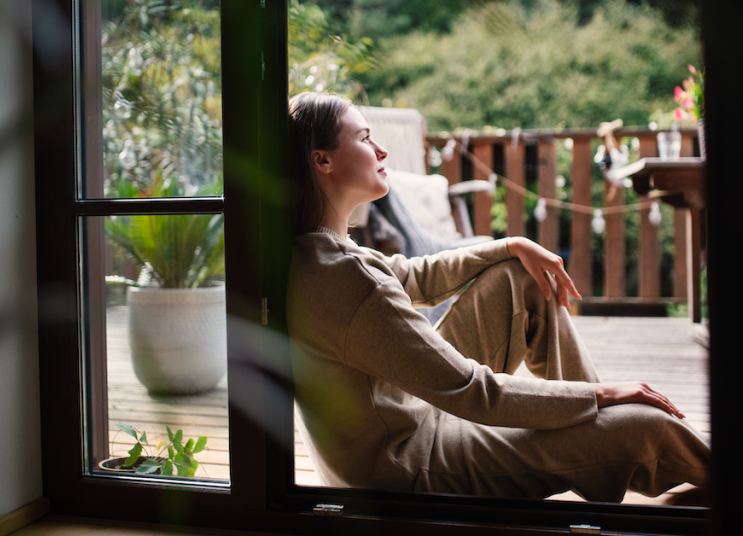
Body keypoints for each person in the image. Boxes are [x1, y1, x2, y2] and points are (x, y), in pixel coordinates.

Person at [286, 92, 710, 502]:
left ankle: (592, 427)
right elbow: (474, 392)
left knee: (518, 279)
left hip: (395, 433)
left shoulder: (317, 253)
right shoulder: (349, 279)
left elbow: (412, 275)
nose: (381, 150)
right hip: (406, 466)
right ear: (321, 160)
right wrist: (605, 395)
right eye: (363, 138)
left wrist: (509, 246)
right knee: (645, 426)